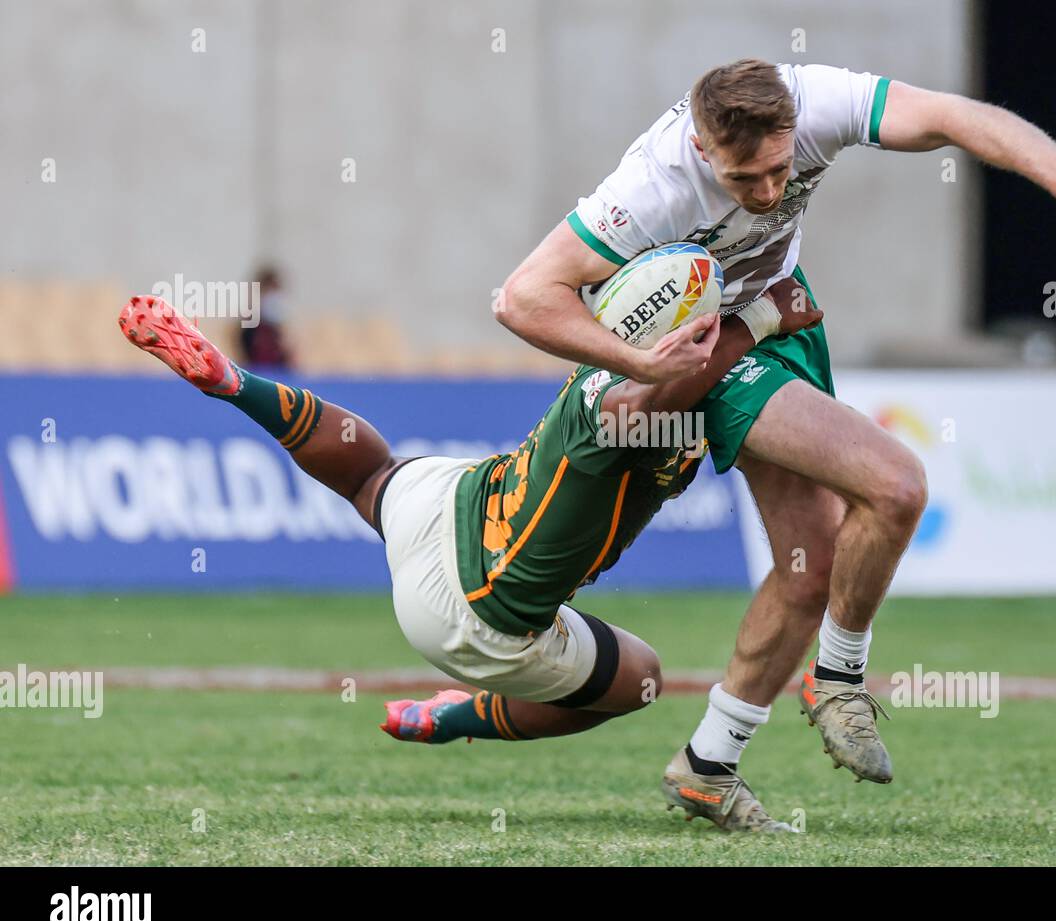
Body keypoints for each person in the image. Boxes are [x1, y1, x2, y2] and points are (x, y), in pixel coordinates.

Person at [495, 58, 1056, 814]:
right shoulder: (651, 191)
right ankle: (838, 682)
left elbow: (952, 116)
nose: (768, 193)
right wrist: (643, 361)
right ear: (703, 152)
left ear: (793, 125)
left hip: (778, 318)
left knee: (813, 568)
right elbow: (521, 298)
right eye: (743, 181)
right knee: (896, 486)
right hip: (706, 353)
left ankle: (708, 764)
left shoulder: (820, 101)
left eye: (777, 171)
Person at [117, 276, 823, 833]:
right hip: (479, 608)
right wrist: (759, 320)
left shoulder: (610, 362)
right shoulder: (617, 403)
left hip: (452, 499)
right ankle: (459, 715)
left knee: (367, 473)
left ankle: (233, 385)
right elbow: (636, 413)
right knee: (640, 679)